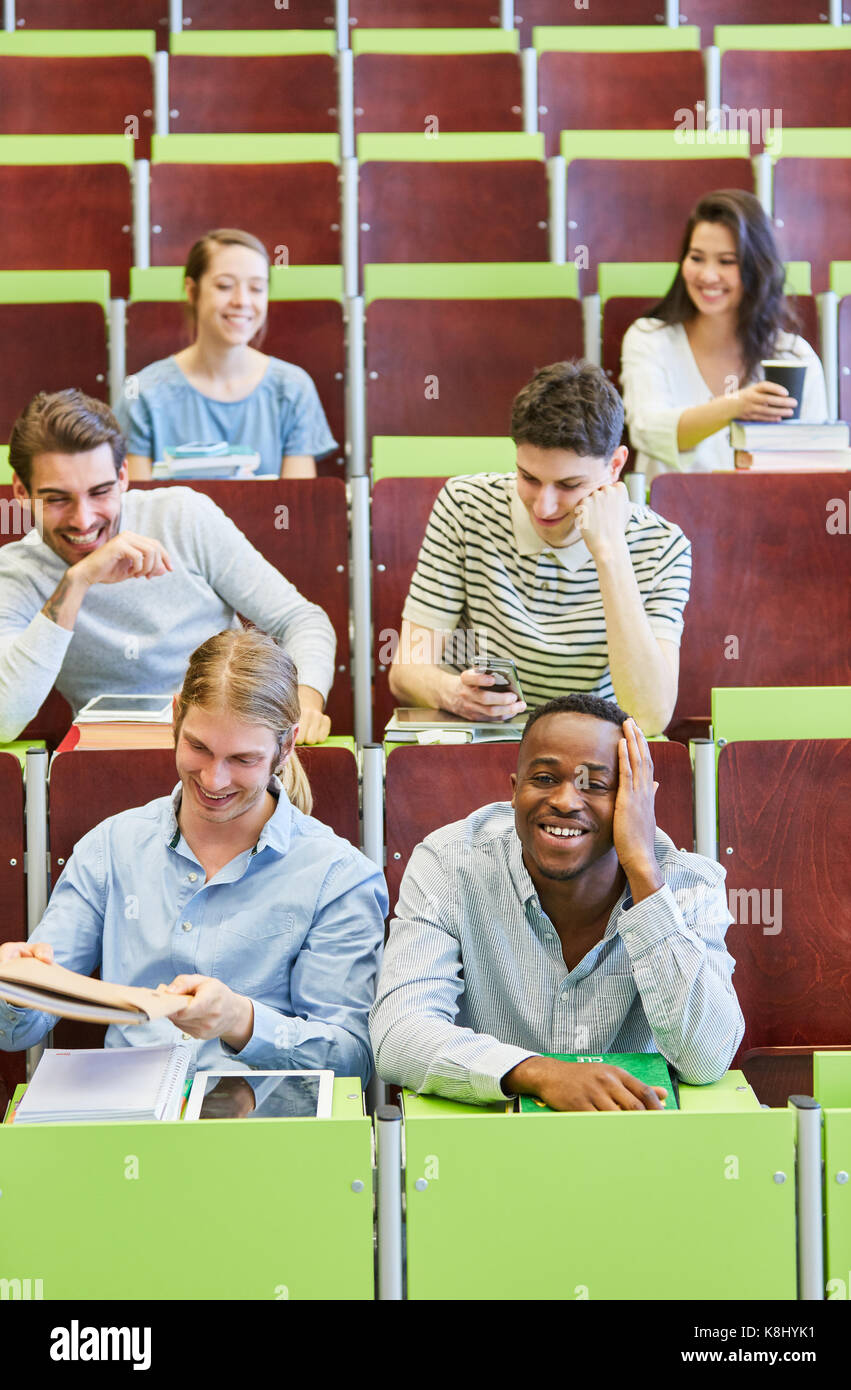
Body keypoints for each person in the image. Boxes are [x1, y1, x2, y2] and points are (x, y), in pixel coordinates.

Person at [0, 629, 387, 1082]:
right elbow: (19, 1031)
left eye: (242, 759)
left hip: (268, 1133)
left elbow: (351, 1062)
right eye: (199, 747)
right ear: (176, 717)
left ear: (285, 747)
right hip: (127, 1122)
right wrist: (16, 988)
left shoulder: (337, 877)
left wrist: (241, 1022)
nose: (214, 779)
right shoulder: (112, 848)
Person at [370, 693, 744, 1110]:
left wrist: (643, 873)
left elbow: (706, 1058)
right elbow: (398, 1032)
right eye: (545, 779)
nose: (566, 801)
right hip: (490, 1142)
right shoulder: (450, 863)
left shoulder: (689, 883)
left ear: (637, 801)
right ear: (515, 790)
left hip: (637, 1142)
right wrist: (539, 1073)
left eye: (596, 785)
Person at [0, 389, 335, 743]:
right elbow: (5, 718)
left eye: (100, 492)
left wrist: (306, 700)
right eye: (57, 499)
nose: (83, 520)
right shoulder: (17, 572)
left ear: (124, 477)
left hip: (225, 746)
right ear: (22, 493)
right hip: (107, 760)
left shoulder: (183, 516)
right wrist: (78, 581)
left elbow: (300, 619)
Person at [387, 361, 691, 737]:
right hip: (486, 743)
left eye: (569, 484)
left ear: (615, 466)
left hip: (592, 752)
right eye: (529, 478)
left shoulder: (663, 547)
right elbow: (405, 671)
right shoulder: (464, 505)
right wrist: (452, 693)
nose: (544, 507)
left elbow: (649, 716)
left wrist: (609, 553)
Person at [620, 189, 829, 484]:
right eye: (696, 258)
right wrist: (735, 406)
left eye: (727, 261)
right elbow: (648, 432)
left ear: (757, 269)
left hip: (766, 520)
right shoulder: (649, 338)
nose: (707, 275)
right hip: (670, 522)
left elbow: (816, 464)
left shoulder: (794, 356)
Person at [115, 228, 338, 480]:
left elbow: (294, 508)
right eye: (224, 286)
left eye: (256, 288)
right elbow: (139, 510)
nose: (242, 301)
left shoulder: (293, 388)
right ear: (192, 291)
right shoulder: (143, 392)